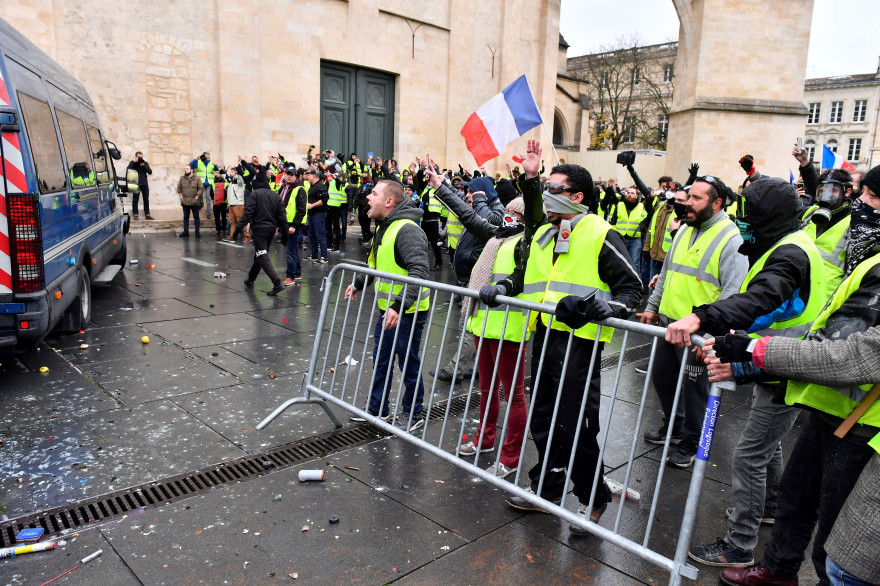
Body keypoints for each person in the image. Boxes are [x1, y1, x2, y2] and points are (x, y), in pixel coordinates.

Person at [713, 166, 880, 586]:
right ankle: (777, 570)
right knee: (795, 497)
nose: (860, 205)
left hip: (862, 420)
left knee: (837, 542)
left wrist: (754, 351)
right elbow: (827, 324)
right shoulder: (868, 257)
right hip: (824, 401)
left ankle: (766, 558)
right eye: (862, 195)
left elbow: (854, 356)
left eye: (872, 199)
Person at [666, 177, 827, 569]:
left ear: (768, 217)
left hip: (784, 367)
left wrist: (702, 316)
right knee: (766, 446)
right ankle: (768, 505)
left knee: (749, 455)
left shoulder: (790, 253)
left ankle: (738, 545)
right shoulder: (793, 243)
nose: (745, 225)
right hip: (773, 363)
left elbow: (761, 297)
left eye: (750, 216)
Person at [483, 139, 642, 533]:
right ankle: (547, 491)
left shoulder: (599, 232)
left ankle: (594, 500)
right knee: (544, 419)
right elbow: (523, 279)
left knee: (577, 425)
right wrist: (501, 289)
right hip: (546, 340)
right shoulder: (543, 235)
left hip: (581, 344)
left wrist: (612, 309)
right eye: (547, 191)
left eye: (557, 190)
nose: (549, 198)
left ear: (578, 197)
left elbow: (632, 289)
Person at [426, 162, 529, 478]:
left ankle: (510, 458)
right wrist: (441, 186)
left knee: (512, 396)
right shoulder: (499, 236)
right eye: (509, 213)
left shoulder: (529, 243)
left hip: (509, 328)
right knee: (485, 389)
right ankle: (485, 441)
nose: (510, 218)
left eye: (517, 215)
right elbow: (470, 218)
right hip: (482, 323)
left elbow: (518, 277)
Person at [640, 176, 747, 469]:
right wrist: (652, 307)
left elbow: (732, 294)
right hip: (670, 326)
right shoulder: (686, 229)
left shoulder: (731, 239)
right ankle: (673, 426)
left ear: (716, 203)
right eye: (689, 197)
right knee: (663, 379)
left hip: (698, 334)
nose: (687, 203)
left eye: (696, 198)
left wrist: (713, 335)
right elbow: (667, 273)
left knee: (695, 390)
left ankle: (692, 442)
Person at [344, 179, 431, 432]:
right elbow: (375, 265)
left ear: (389, 201)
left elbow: (419, 271)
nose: (368, 198)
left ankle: (413, 413)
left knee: (408, 362)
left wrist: (399, 305)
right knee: (381, 359)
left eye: (373, 194)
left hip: (408, 312)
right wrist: (360, 282)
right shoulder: (384, 227)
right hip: (390, 310)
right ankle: (376, 409)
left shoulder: (407, 230)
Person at [230, 173, 287, 296]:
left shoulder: (254, 194)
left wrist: (237, 230)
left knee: (262, 256)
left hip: (260, 229)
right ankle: (251, 279)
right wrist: (285, 232)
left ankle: (277, 283)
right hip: (271, 229)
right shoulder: (275, 195)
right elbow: (282, 215)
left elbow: (247, 214)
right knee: (260, 254)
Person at [610, 186, 647, 285]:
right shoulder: (620, 205)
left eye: (632, 193)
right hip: (621, 238)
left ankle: (636, 285)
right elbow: (613, 221)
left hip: (635, 239)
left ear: (637, 195)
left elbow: (646, 219)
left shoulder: (641, 207)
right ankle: (618, 283)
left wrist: (642, 228)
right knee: (619, 261)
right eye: (628, 193)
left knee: (634, 263)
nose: (629, 195)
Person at [281, 167, 308, 286]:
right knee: (292, 249)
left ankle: (290, 276)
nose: (289, 176)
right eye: (287, 174)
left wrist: (294, 226)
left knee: (290, 250)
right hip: (285, 223)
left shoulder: (299, 189)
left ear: (296, 176)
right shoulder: (283, 188)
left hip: (293, 225)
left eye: (292, 174)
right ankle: (297, 273)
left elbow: (301, 210)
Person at [304, 168, 329, 263]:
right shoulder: (312, 186)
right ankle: (314, 255)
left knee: (320, 235)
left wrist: (312, 205)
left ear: (314, 175)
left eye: (308, 174)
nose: (307, 176)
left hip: (319, 213)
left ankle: (324, 257)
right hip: (312, 214)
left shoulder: (320, 186)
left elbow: (324, 199)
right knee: (312, 235)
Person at [177, 164, 203, 238]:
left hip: (194, 201)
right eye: (185, 169)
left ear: (191, 170)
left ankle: (197, 232)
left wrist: (197, 196)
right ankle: (186, 232)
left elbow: (201, 188)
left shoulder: (197, 178)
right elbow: (179, 189)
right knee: (185, 217)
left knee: (196, 216)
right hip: (185, 201)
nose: (185, 170)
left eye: (187, 169)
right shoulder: (182, 178)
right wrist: (181, 197)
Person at [126, 151, 153, 220]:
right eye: (139, 157)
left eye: (141, 156)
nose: (140, 158)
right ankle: (135, 214)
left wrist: (143, 165)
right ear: (136, 157)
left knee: (146, 199)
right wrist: (133, 162)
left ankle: (147, 214)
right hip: (136, 184)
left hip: (144, 184)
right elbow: (128, 169)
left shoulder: (145, 163)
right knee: (135, 200)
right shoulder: (133, 163)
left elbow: (150, 172)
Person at [189, 152, 216, 220]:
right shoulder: (199, 162)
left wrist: (216, 166)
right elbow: (190, 166)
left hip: (209, 183)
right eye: (206, 156)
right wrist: (195, 159)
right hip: (200, 182)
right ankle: (200, 204)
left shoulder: (211, 163)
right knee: (199, 195)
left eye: (208, 156)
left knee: (208, 197)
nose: (207, 157)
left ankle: (209, 213)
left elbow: (217, 169)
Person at [224, 167, 248, 243]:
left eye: (232, 172)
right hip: (231, 204)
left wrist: (237, 171)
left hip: (238, 204)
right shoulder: (231, 182)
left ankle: (247, 236)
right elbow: (225, 177)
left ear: (236, 173)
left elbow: (240, 177)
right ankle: (232, 236)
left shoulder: (240, 181)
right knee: (232, 222)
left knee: (241, 221)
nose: (230, 173)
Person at [355, 171, 374, 244]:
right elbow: (357, 196)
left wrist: (367, 207)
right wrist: (355, 205)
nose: (363, 178)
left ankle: (367, 236)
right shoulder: (361, 186)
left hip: (367, 206)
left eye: (365, 177)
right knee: (361, 221)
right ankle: (365, 235)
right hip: (361, 206)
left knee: (366, 222)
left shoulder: (370, 186)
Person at [213, 171, 227, 235]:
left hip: (223, 202)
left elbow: (227, 193)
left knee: (223, 216)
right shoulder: (213, 183)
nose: (217, 174)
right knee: (217, 217)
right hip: (216, 202)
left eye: (218, 173)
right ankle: (218, 229)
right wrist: (216, 199)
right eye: (216, 173)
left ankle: (224, 229)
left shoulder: (225, 184)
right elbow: (211, 193)